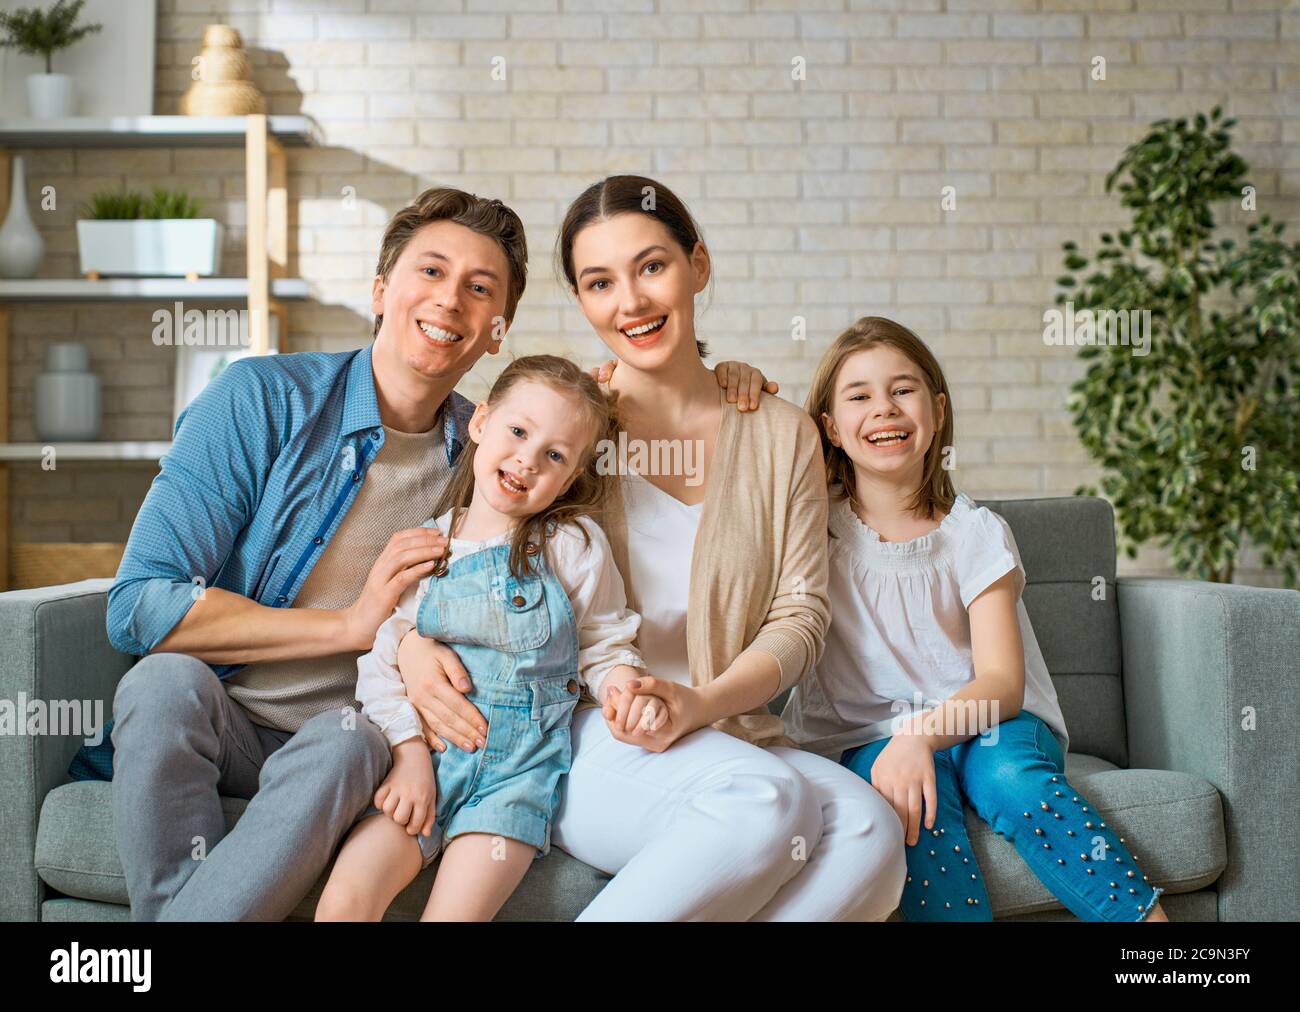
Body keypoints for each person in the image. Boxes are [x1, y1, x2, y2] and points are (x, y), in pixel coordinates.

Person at [90, 184, 770, 921]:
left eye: (480, 289)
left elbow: (590, 412)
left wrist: (729, 377)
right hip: (231, 717)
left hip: (365, 740)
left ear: (497, 330)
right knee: (162, 683)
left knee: (345, 742)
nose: (450, 301)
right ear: (382, 289)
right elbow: (138, 607)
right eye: (431, 272)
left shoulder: (486, 461)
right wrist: (356, 628)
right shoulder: (260, 398)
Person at [394, 175, 907, 920]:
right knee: (764, 802)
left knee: (868, 831)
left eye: (653, 267)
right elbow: (469, 544)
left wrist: (700, 703)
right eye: (601, 282)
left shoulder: (778, 431)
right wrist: (406, 642)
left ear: (697, 265)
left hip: (724, 727)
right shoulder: (569, 433)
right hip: (579, 731)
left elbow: (801, 613)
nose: (630, 301)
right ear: (582, 303)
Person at [782, 315, 1168, 922]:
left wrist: (921, 736)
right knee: (913, 804)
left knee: (1014, 779)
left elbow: (1000, 684)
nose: (883, 409)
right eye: (859, 397)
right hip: (867, 735)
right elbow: (735, 467)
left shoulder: (975, 534)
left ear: (936, 410)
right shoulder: (810, 529)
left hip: (993, 721)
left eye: (903, 390)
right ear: (829, 426)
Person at [317, 356, 647, 921]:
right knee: (347, 898)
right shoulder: (427, 546)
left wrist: (625, 688)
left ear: (571, 477)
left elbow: (604, 641)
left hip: (515, 779)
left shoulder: (570, 545)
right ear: (480, 423)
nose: (527, 459)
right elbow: (382, 661)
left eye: (555, 456)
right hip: (430, 764)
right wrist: (409, 756)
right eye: (518, 432)